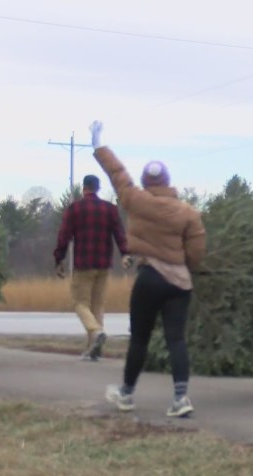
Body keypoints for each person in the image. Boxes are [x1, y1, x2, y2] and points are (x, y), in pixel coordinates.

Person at [90, 120, 207, 418]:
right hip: (179, 283)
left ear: (145, 181)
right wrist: (188, 268)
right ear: (168, 181)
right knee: (176, 339)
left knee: (140, 339)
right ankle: (180, 398)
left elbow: (117, 174)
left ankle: (127, 394)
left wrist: (98, 144)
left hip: (150, 278)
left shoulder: (135, 200)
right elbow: (196, 251)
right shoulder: (188, 213)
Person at [53, 173, 130, 361]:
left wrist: (59, 258)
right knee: (97, 306)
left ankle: (95, 332)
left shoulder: (75, 209)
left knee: (80, 303)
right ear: (98, 188)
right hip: (104, 264)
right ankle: (93, 349)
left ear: (84, 188)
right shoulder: (110, 209)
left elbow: (64, 235)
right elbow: (119, 234)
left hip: (84, 263)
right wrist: (125, 254)